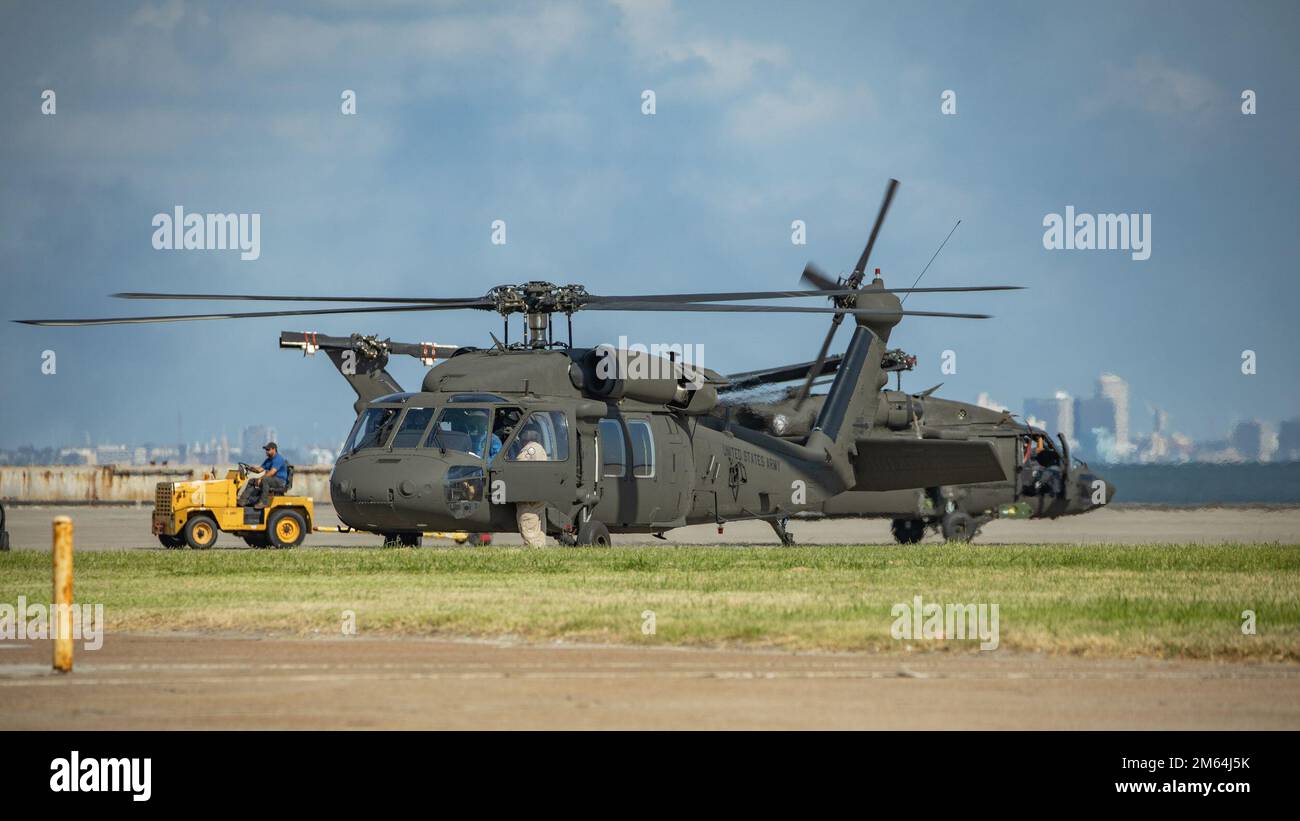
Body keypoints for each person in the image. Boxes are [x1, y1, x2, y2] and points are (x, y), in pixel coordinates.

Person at [512, 426, 549, 547]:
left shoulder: (530, 449)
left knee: (527, 517)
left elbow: (520, 466)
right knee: (538, 520)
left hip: (529, 492)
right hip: (539, 490)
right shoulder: (540, 449)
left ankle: (533, 546)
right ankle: (539, 546)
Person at [240, 442, 289, 509]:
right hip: (272, 480)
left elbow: (272, 472)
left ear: (274, 449)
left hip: (280, 481)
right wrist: (250, 468)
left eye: (268, 450)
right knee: (252, 481)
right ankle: (243, 501)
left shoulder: (278, 459)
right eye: (266, 450)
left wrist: (261, 478)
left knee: (265, 480)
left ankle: (263, 502)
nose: (266, 452)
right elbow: (259, 470)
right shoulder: (268, 460)